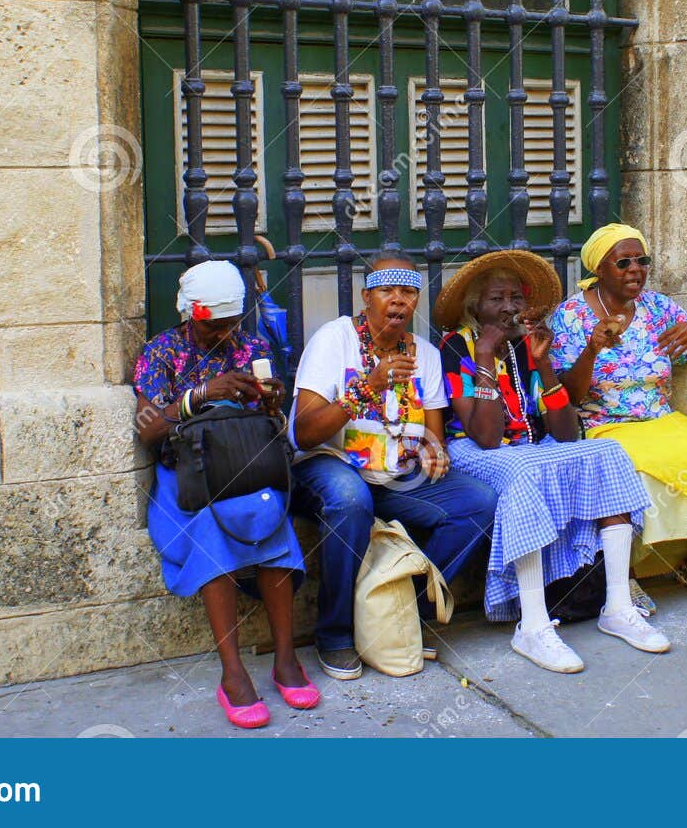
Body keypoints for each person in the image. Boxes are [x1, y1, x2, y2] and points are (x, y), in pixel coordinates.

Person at [435, 250, 666, 673]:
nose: (508, 308)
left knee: (607, 453)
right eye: (496, 300)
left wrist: (543, 363)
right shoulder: (456, 346)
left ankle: (617, 605)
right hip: (475, 450)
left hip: (532, 444)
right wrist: (485, 357)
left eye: (515, 299)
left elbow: (562, 431)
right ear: (475, 307)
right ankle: (534, 627)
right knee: (523, 471)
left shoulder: (528, 345)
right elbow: (485, 437)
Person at [289, 250, 498, 681]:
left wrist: (433, 451)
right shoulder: (335, 339)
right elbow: (304, 434)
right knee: (350, 499)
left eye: (408, 292)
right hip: (331, 466)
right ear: (366, 298)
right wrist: (367, 387)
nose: (398, 301)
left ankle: (403, 616)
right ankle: (336, 634)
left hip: (397, 475)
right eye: (387, 291)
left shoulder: (423, 352)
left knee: (478, 502)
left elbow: (434, 433)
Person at [133, 260, 318, 730]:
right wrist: (200, 395)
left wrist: (270, 399)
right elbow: (149, 429)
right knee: (210, 526)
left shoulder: (252, 345)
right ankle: (232, 673)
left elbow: (273, 419)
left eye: (230, 323)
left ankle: (284, 658)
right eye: (213, 326)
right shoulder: (161, 352)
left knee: (271, 513)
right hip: (188, 481)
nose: (223, 334)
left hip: (246, 468)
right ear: (191, 315)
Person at [549, 224, 687, 606]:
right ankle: (624, 578)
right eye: (623, 262)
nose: (635, 269)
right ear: (600, 269)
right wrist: (592, 349)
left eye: (642, 260)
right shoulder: (571, 316)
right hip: (604, 425)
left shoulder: (658, 308)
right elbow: (567, 395)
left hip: (661, 420)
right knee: (630, 469)